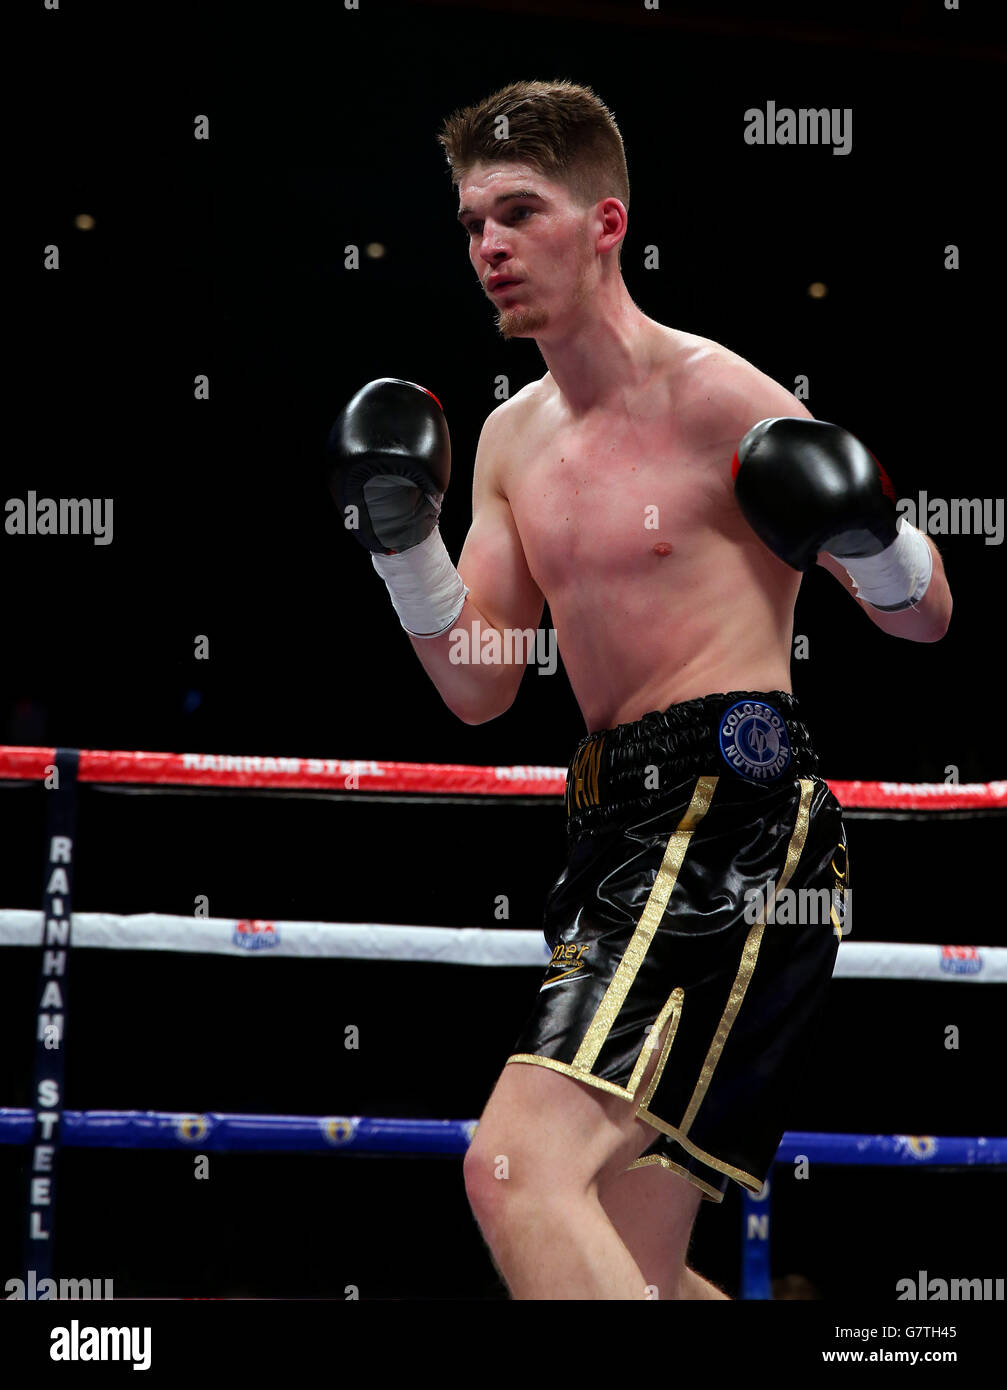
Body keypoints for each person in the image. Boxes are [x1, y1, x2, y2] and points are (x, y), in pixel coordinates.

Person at [327, 79, 952, 1301]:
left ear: (606, 222)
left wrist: (875, 538)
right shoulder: (508, 440)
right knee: (635, 1265)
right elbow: (478, 685)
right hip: (613, 826)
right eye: (469, 224)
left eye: (517, 211)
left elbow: (924, 617)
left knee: (513, 1166)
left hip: (733, 810)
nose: (488, 247)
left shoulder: (721, 397)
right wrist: (403, 549)